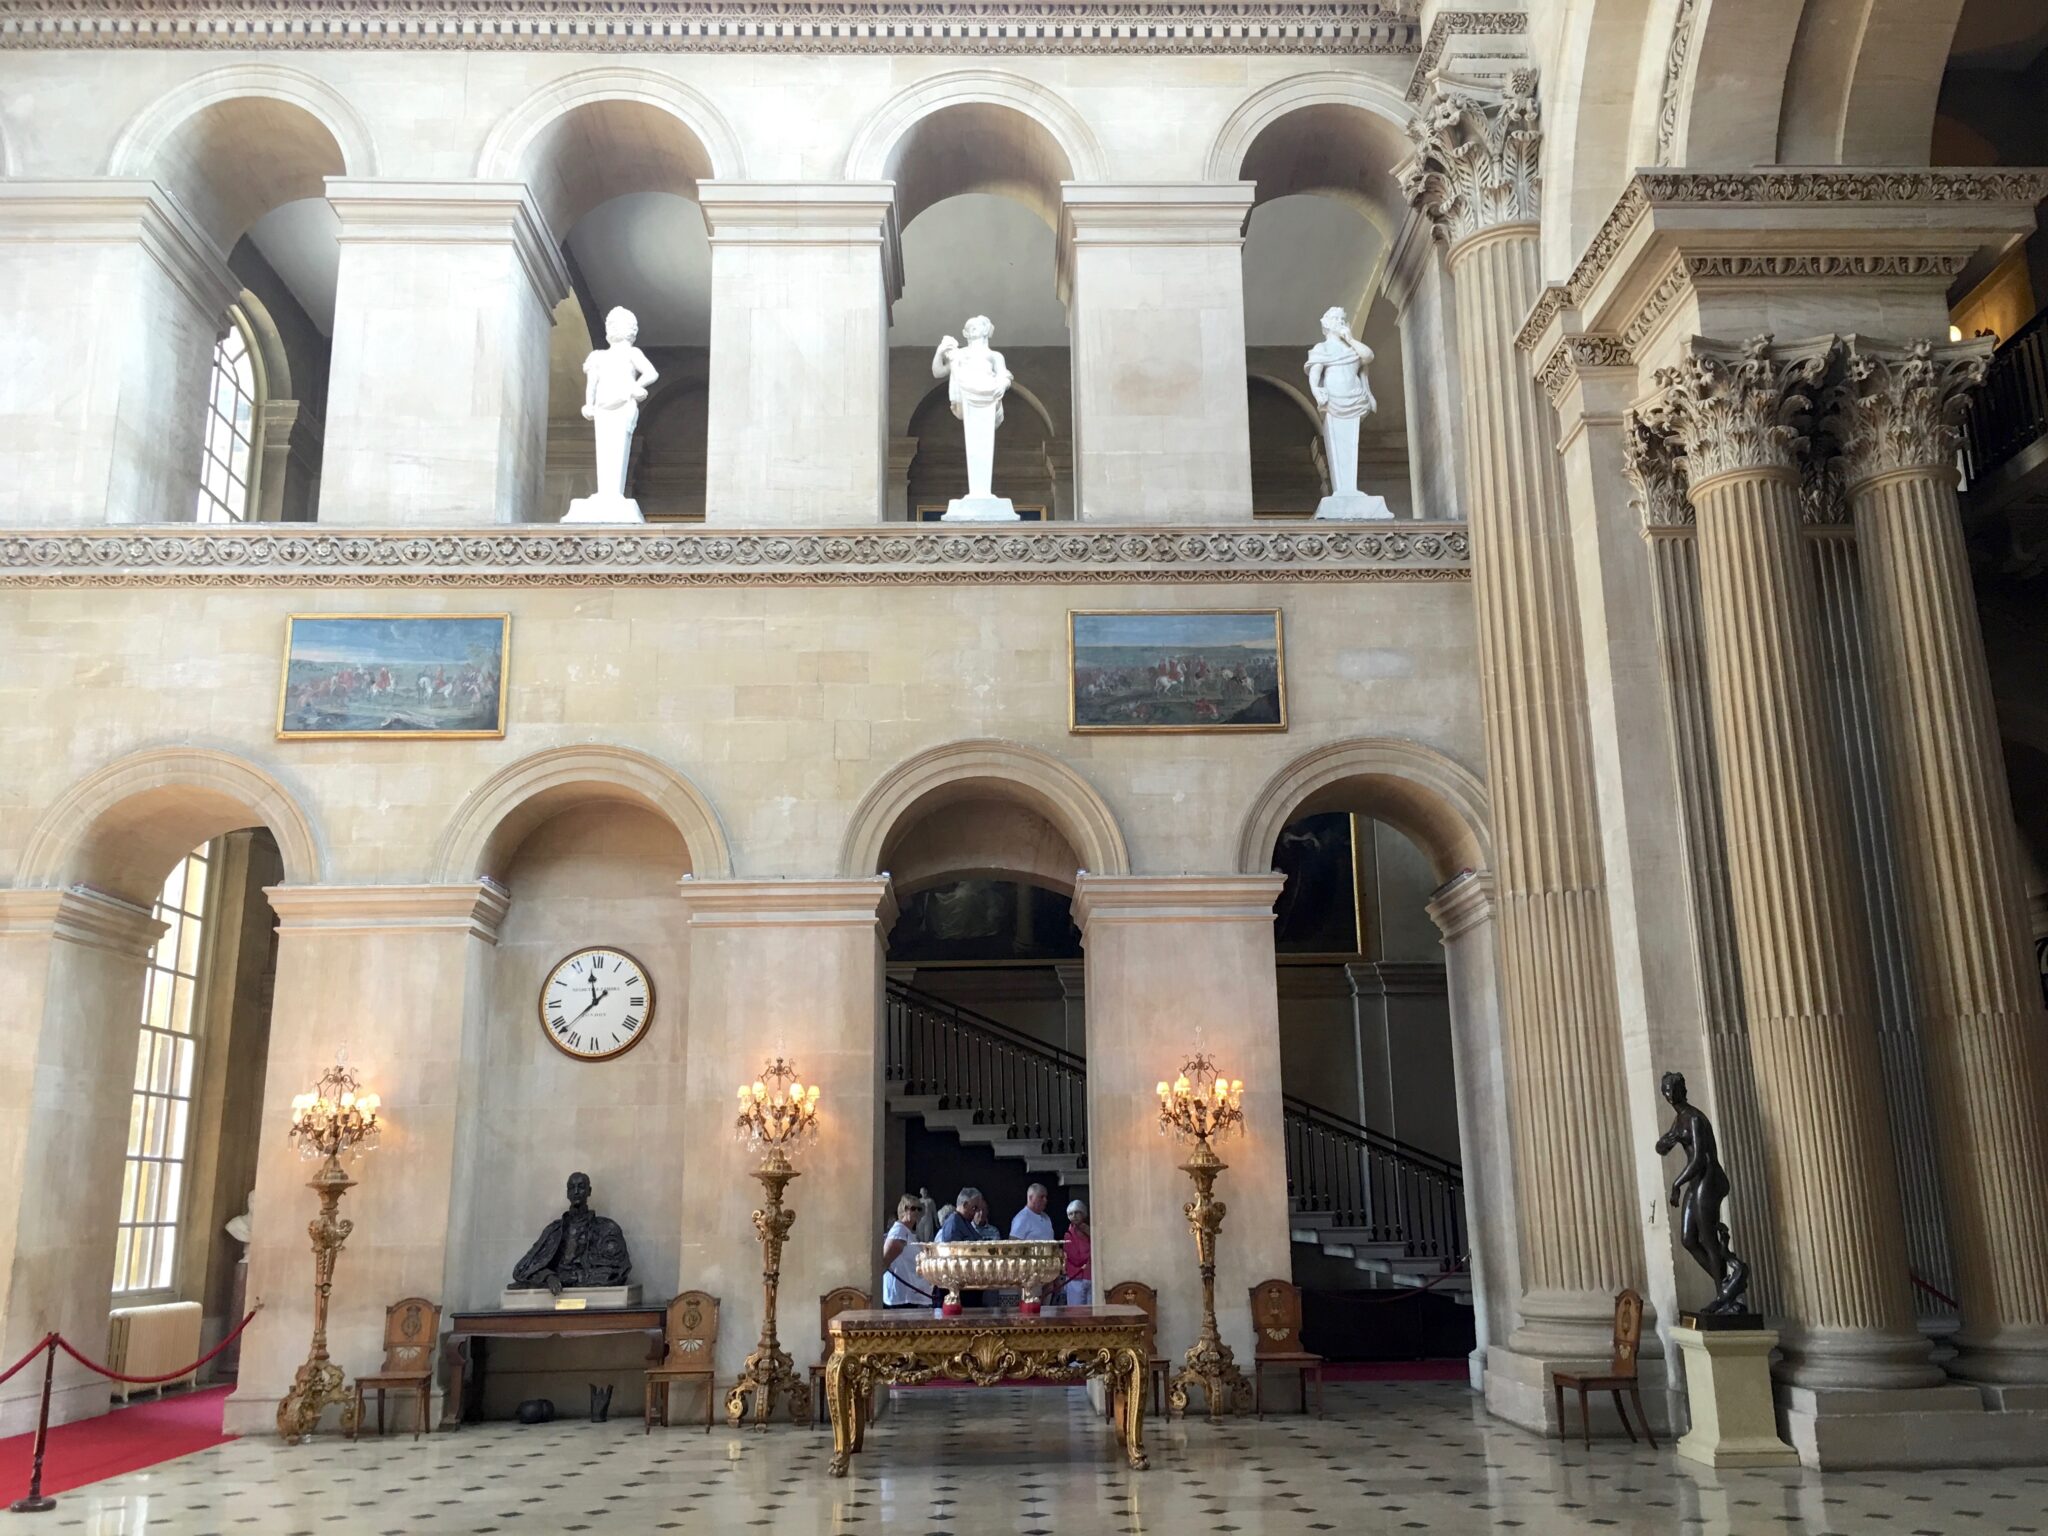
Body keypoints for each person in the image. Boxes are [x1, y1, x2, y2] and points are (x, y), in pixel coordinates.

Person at [881, 1193, 935, 1309]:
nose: (916, 1212)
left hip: (908, 1296)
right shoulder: (899, 1231)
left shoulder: (907, 1233)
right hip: (901, 1297)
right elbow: (885, 1260)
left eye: (919, 1209)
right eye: (912, 1208)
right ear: (904, 1210)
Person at [1062, 1200, 1091, 1307]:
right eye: (1071, 1214)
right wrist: (1089, 1258)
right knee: (1076, 1312)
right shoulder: (1068, 1235)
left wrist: (1091, 1234)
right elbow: (1075, 1258)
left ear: (1083, 1213)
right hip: (1075, 1278)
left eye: (1077, 1212)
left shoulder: (1092, 1232)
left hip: (1091, 1277)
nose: (1074, 1216)